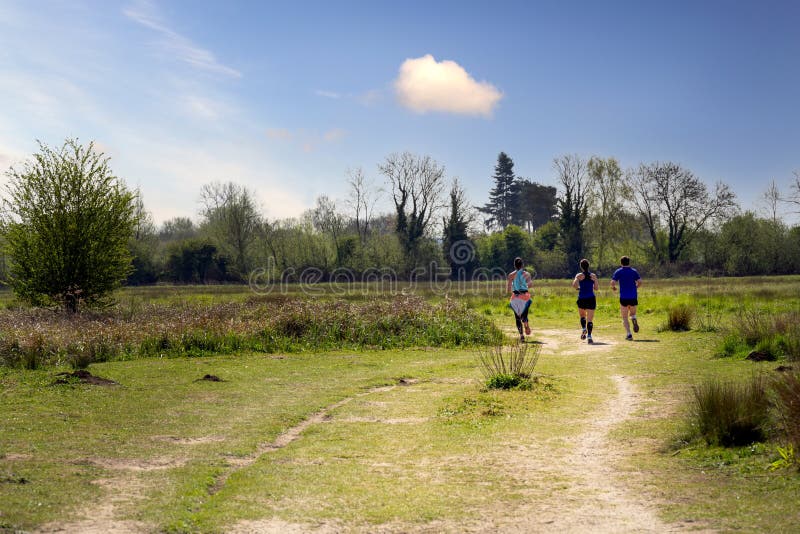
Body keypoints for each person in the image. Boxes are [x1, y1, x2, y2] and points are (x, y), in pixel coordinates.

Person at [610, 256, 642, 340]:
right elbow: (640, 282)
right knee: (632, 313)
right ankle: (634, 319)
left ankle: (629, 334)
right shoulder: (634, 271)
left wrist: (613, 288)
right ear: (629, 262)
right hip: (633, 297)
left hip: (623, 297)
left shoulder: (619, 271)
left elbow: (612, 282)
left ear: (621, 263)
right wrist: (636, 287)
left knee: (624, 317)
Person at [572, 258, 598, 344]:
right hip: (591, 298)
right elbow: (596, 288)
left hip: (582, 298)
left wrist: (579, 287)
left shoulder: (579, 275)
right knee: (590, 320)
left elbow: (574, 285)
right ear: (588, 266)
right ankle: (589, 336)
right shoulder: (593, 276)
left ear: (581, 267)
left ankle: (583, 329)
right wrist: (595, 281)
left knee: (582, 316)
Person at [507, 257, 533, 342]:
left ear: (514, 265)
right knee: (524, 314)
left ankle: (521, 336)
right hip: (525, 297)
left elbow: (508, 289)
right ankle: (526, 323)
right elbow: (530, 285)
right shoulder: (527, 274)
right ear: (522, 265)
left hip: (515, 297)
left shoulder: (511, 275)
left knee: (517, 317)